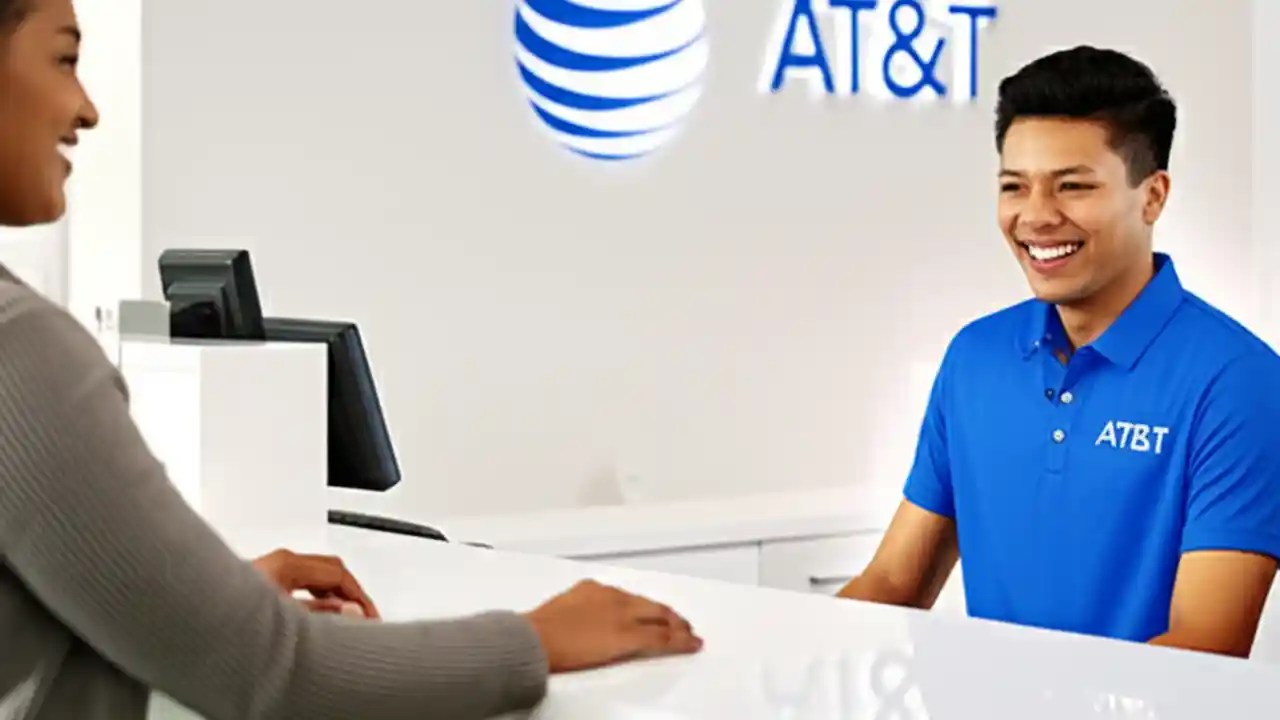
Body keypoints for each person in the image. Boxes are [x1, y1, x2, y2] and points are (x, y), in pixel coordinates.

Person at [0, 0, 702, 718]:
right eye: (64, 59)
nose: (86, 110)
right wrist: (535, 639)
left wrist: (193, 602)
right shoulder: (22, 349)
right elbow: (278, 675)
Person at [838, 46, 1280, 658]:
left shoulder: (1240, 382)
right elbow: (892, 583)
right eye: (1014, 187)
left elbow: (1202, 650)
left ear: (1152, 196)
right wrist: (771, 658)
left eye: (1073, 186)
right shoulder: (975, 357)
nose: (1037, 216)